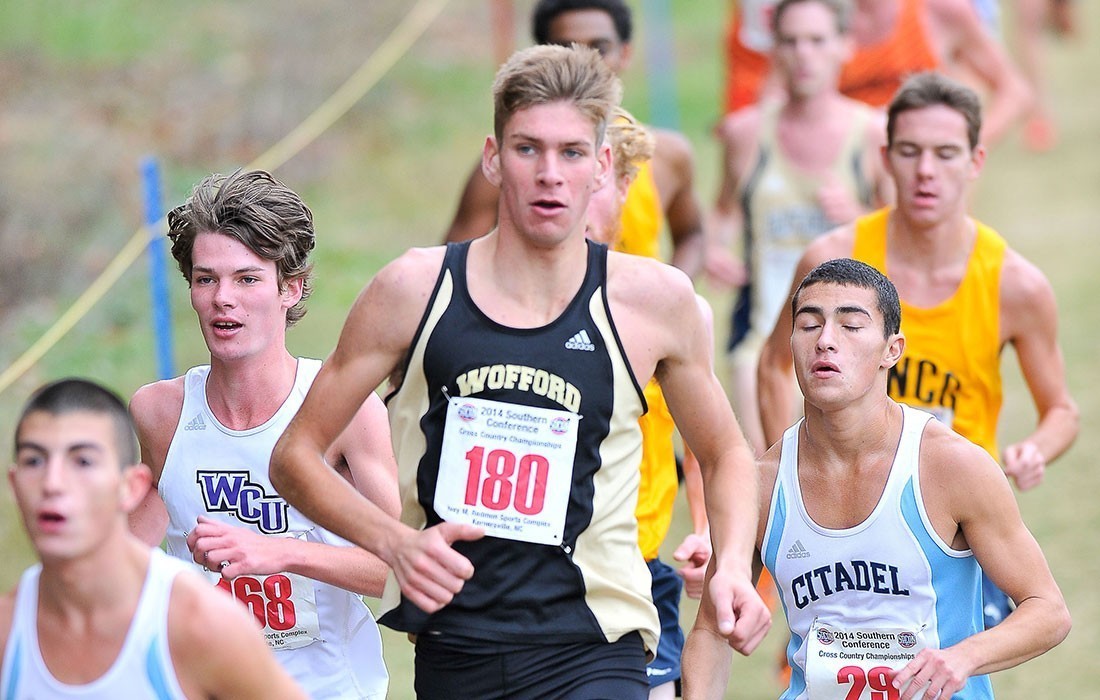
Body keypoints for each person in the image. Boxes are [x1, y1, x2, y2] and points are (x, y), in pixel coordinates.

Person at [270, 44, 770, 699]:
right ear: (492, 158)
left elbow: (727, 452)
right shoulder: (413, 290)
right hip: (457, 643)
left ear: (603, 165)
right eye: (527, 149)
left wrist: (732, 565)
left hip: (598, 644)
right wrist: (393, 542)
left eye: (571, 152)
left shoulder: (653, 302)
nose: (549, 174)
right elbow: (295, 456)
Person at [757, 72, 1079, 626]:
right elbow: (771, 366)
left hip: (951, 518)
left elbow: (1062, 410)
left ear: (975, 161)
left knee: (951, 659)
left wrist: (1035, 449)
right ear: (885, 158)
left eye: (945, 153)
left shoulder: (1014, 285)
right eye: (909, 151)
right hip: (840, 505)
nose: (926, 170)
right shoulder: (834, 259)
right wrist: (789, 478)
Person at [683, 259, 1071, 699]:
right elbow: (710, 632)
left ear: (892, 350)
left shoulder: (952, 467)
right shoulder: (762, 486)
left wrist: (964, 656)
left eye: (850, 325)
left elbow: (1048, 610)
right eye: (809, 325)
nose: (825, 341)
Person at [128, 169, 398, 699]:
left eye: (247, 279)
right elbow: (125, 561)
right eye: (206, 279)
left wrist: (280, 553)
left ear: (289, 288)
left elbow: (402, 570)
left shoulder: (344, 410)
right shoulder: (161, 412)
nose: (223, 298)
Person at [1, 378, 306, 699]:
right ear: (14, 483)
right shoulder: (7, 631)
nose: (52, 483)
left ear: (132, 487)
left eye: (83, 461)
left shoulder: (200, 625)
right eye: (34, 461)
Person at [709, 0, 894, 455]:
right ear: (773, 48)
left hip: (856, 335)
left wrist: (858, 214)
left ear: (845, 46)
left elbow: (903, 236)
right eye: (790, 41)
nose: (804, 54)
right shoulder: (744, 134)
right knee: (765, 465)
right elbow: (722, 211)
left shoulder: (874, 134)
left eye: (816, 40)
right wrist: (715, 250)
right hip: (762, 332)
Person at [588, 107, 714, 699]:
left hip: (638, 564)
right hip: (525, 582)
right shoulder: (493, 302)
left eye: (596, 176)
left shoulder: (664, 310)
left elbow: (711, 444)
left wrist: (707, 532)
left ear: (625, 183)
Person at [446, 0, 707, 277]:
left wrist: (672, 290)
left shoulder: (666, 155)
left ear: (625, 53)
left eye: (600, 49)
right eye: (566, 48)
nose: (585, 63)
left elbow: (692, 235)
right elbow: (454, 272)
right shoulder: (506, 168)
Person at [721, 0, 1031, 146]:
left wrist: (962, 145)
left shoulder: (939, 10)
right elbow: (772, 104)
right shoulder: (814, 20)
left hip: (921, 186)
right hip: (842, 183)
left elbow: (1014, 90)